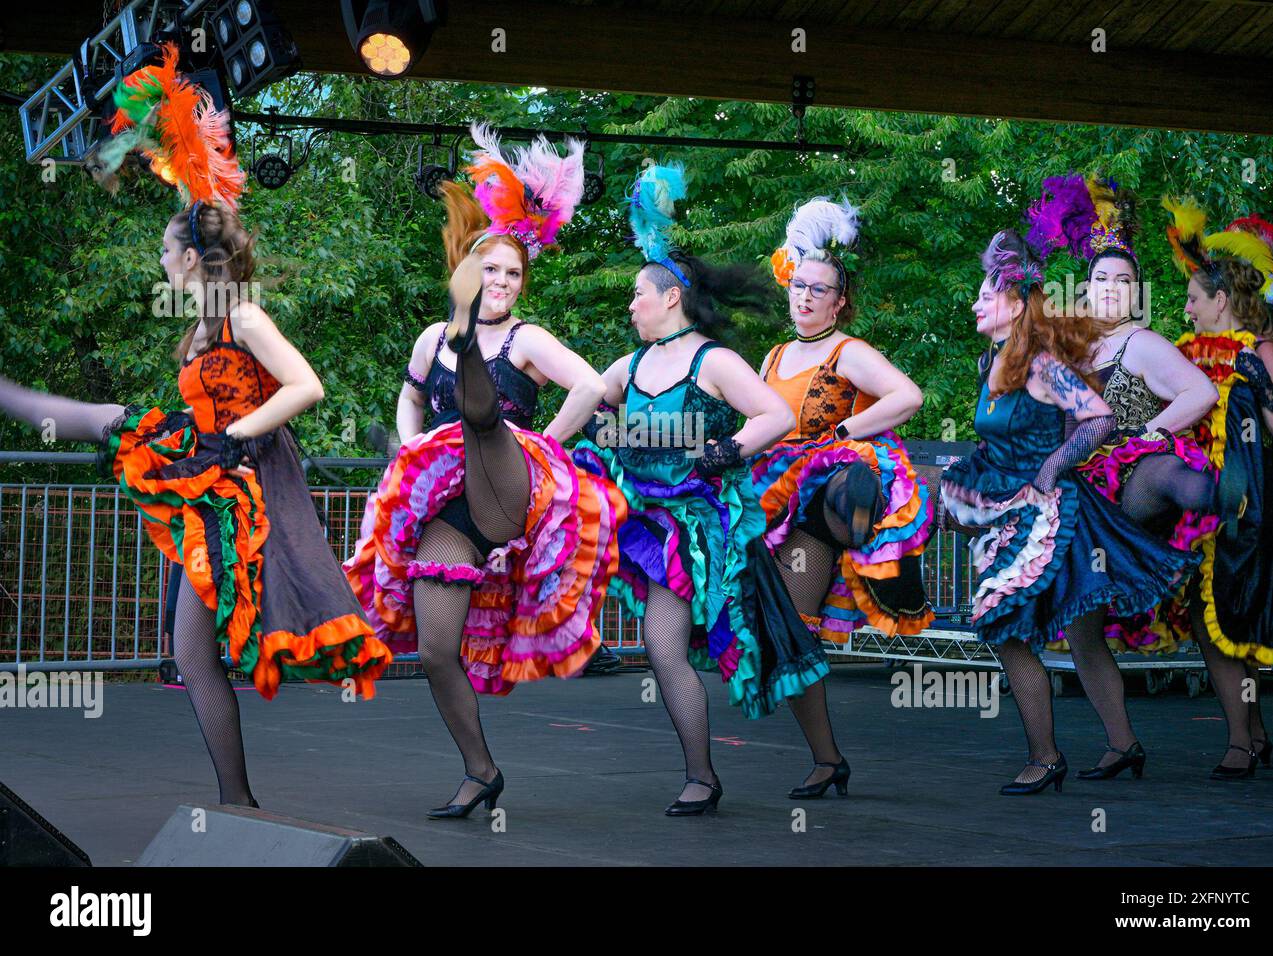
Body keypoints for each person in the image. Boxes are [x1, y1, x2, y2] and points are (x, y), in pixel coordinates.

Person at [0, 45, 391, 807]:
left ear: (187, 259)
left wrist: (242, 436)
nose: (159, 257)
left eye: (164, 249)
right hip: (204, 473)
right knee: (188, 644)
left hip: (235, 482)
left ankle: (237, 804)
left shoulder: (243, 315)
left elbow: (306, 386)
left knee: (192, 650)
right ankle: (236, 800)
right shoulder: (201, 328)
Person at [344, 124, 626, 819]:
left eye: (511, 274)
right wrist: (407, 451)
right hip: (453, 511)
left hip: (510, 486)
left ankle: (490, 409)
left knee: (484, 421)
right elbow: (410, 396)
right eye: (490, 271)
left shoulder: (528, 338)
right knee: (437, 650)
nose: (502, 281)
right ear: (468, 274)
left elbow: (594, 388)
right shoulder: (427, 340)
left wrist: (551, 448)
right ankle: (480, 771)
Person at [938, 229, 1198, 795]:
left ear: (1014, 303)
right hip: (1017, 513)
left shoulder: (1041, 361)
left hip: (1055, 517)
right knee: (1078, 635)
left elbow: (1100, 420)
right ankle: (1121, 744)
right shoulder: (994, 362)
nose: (977, 303)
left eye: (987, 294)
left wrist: (1051, 468)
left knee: (1005, 623)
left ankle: (1046, 756)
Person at [575, 162, 795, 815]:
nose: (630, 303)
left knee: (673, 648)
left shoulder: (713, 362)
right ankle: (704, 773)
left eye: (639, 293)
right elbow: (595, 409)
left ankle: (710, 774)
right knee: (663, 649)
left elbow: (777, 418)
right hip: (640, 521)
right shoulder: (631, 365)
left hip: (693, 531)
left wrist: (719, 453)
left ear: (671, 296)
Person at [749, 197, 934, 798]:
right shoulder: (774, 356)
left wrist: (843, 434)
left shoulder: (846, 351)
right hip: (773, 492)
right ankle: (828, 759)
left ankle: (881, 559)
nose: (804, 297)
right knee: (776, 630)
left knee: (794, 628)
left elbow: (908, 396)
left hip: (821, 496)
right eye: (798, 285)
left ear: (839, 301)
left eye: (818, 289)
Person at [1166, 198, 1273, 777]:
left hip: (1252, 507)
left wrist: (1259, 384)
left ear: (1221, 300)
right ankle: (1251, 734)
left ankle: (1242, 742)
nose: (1188, 308)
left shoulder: (1263, 351)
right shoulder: (1182, 354)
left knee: (1230, 622)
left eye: (1195, 299)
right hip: (1199, 509)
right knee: (1211, 621)